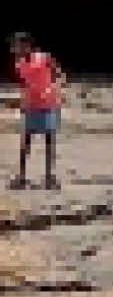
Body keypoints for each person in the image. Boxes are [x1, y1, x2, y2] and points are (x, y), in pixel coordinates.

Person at [10, 32, 64, 192]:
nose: (16, 48)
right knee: (26, 141)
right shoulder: (19, 64)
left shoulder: (43, 57)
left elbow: (58, 73)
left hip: (47, 103)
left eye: (19, 44)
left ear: (27, 45)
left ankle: (49, 176)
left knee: (49, 141)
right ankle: (22, 176)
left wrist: (52, 88)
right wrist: (23, 102)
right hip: (31, 104)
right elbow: (24, 84)